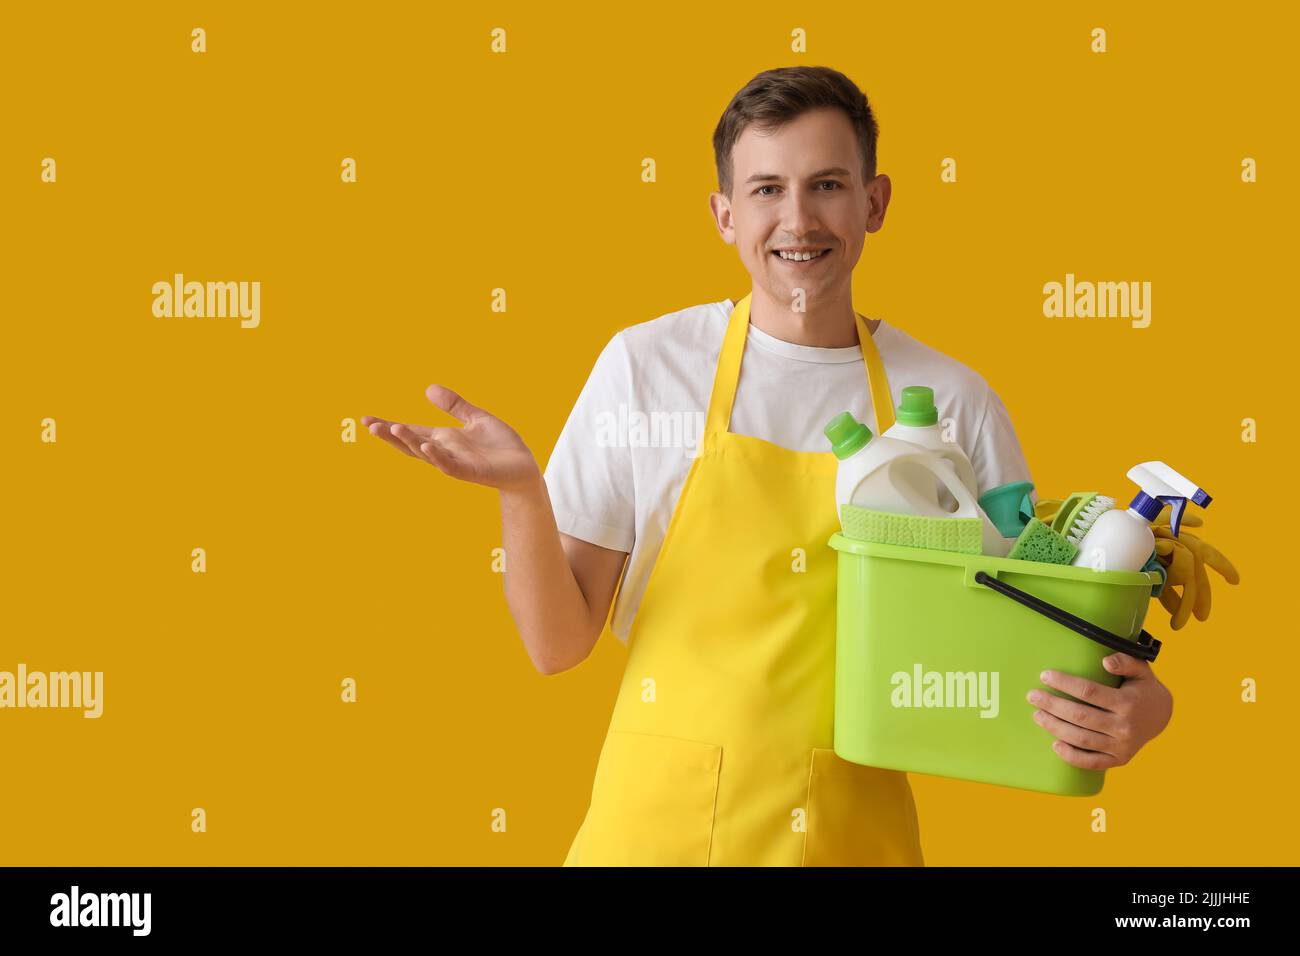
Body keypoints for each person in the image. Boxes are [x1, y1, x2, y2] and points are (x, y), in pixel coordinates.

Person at [363, 65, 1173, 866]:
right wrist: (520, 494)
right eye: (765, 190)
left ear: (875, 202)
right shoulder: (648, 368)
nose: (798, 218)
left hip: (853, 841)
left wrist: (1144, 705)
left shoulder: (954, 401)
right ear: (723, 214)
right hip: (653, 837)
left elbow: (1025, 643)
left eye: (827, 185)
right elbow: (556, 643)